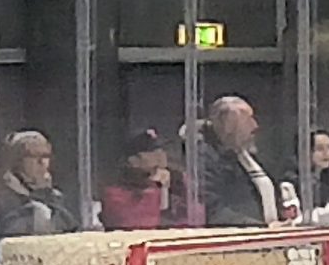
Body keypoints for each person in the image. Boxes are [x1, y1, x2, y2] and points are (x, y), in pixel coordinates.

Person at [200, 96, 280, 227]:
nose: (255, 125)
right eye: (248, 119)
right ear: (228, 126)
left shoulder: (242, 153)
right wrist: (259, 227)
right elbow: (212, 210)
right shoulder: (206, 158)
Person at [98, 130, 188, 229]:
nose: (161, 155)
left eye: (161, 150)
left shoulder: (174, 180)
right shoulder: (115, 194)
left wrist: (165, 188)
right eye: (153, 151)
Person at [0, 130, 79, 237]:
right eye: (34, 155)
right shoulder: (2, 196)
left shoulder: (55, 196)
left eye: (45, 156)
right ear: (18, 160)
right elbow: (10, 230)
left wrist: (47, 195)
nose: (42, 162)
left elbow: (71, 227)